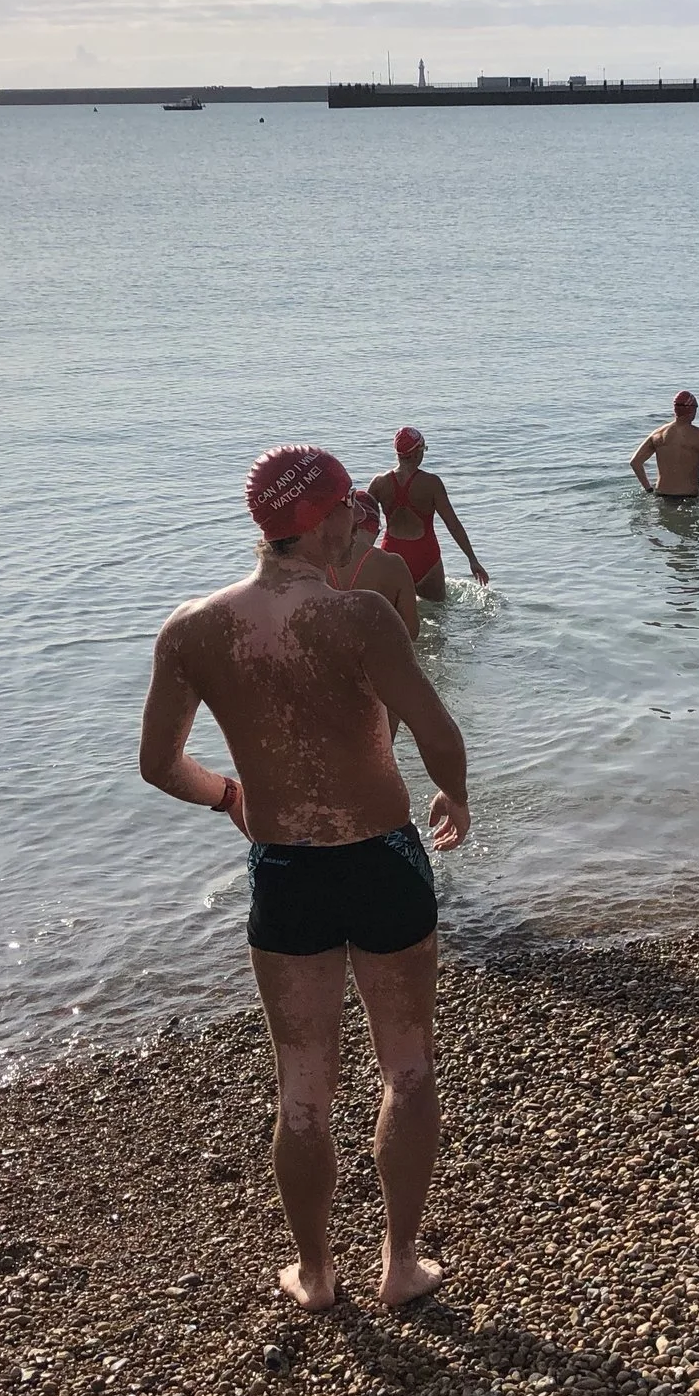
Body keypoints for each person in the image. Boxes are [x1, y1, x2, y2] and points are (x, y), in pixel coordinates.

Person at [139, 447, 473, 1311]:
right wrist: (455, 794)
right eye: (347, 512)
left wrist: (229, 796)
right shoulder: (360, 615)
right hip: (381, 858)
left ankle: (317, 1273)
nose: (357, 524)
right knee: (407, 1068)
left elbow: (159, 764)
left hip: (286, 869)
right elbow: (438, 731)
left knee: (301, 1087)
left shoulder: (192, 628)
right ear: (323, 521)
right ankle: (400, 1263)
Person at [372, 427, 490, 600]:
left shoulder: (379, 483)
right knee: (437, 611)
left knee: (393, 612)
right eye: (423, 449)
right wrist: (472, 559)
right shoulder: (431, 484)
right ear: (415, 453)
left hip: (391, 556)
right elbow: (453, 524)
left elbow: (362, 522)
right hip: (425, 556)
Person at [330, 489, 421, 640]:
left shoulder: (317, 560)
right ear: (375, 529)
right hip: (377, 650)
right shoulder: (394, 564)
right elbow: (412, 631)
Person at [630, 391, 699, 498]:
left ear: (675, 410)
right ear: (692, 410)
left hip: (661, 496)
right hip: (688, 499)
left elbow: (635, 462)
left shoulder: (657, 434)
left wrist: (648, 489)